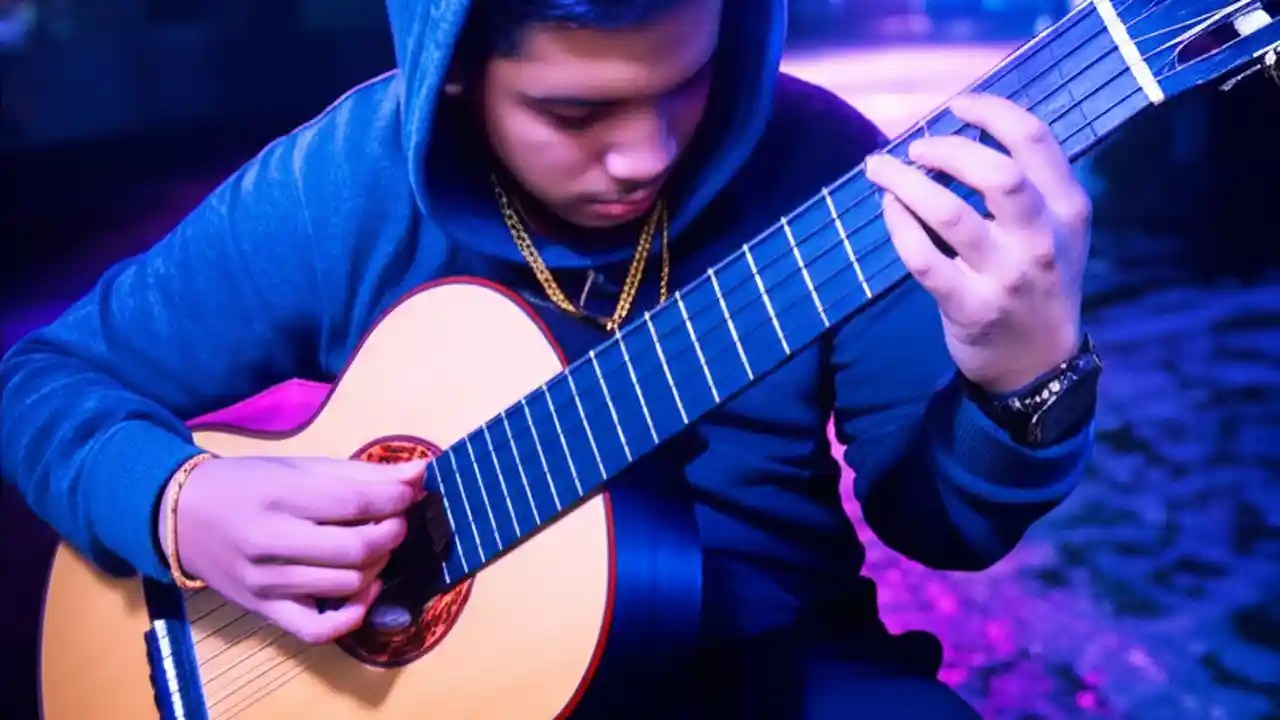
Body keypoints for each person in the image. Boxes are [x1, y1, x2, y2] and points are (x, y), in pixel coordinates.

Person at [0, 0, 1102, 716]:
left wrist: (1024, 377)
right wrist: (182, 505)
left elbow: (944, 530)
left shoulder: (833, 180)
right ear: (455, 76)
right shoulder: (345, 182)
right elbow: (41, 381)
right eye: (575, 110)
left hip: (770, 665)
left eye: (687, 80)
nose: (648, 150)